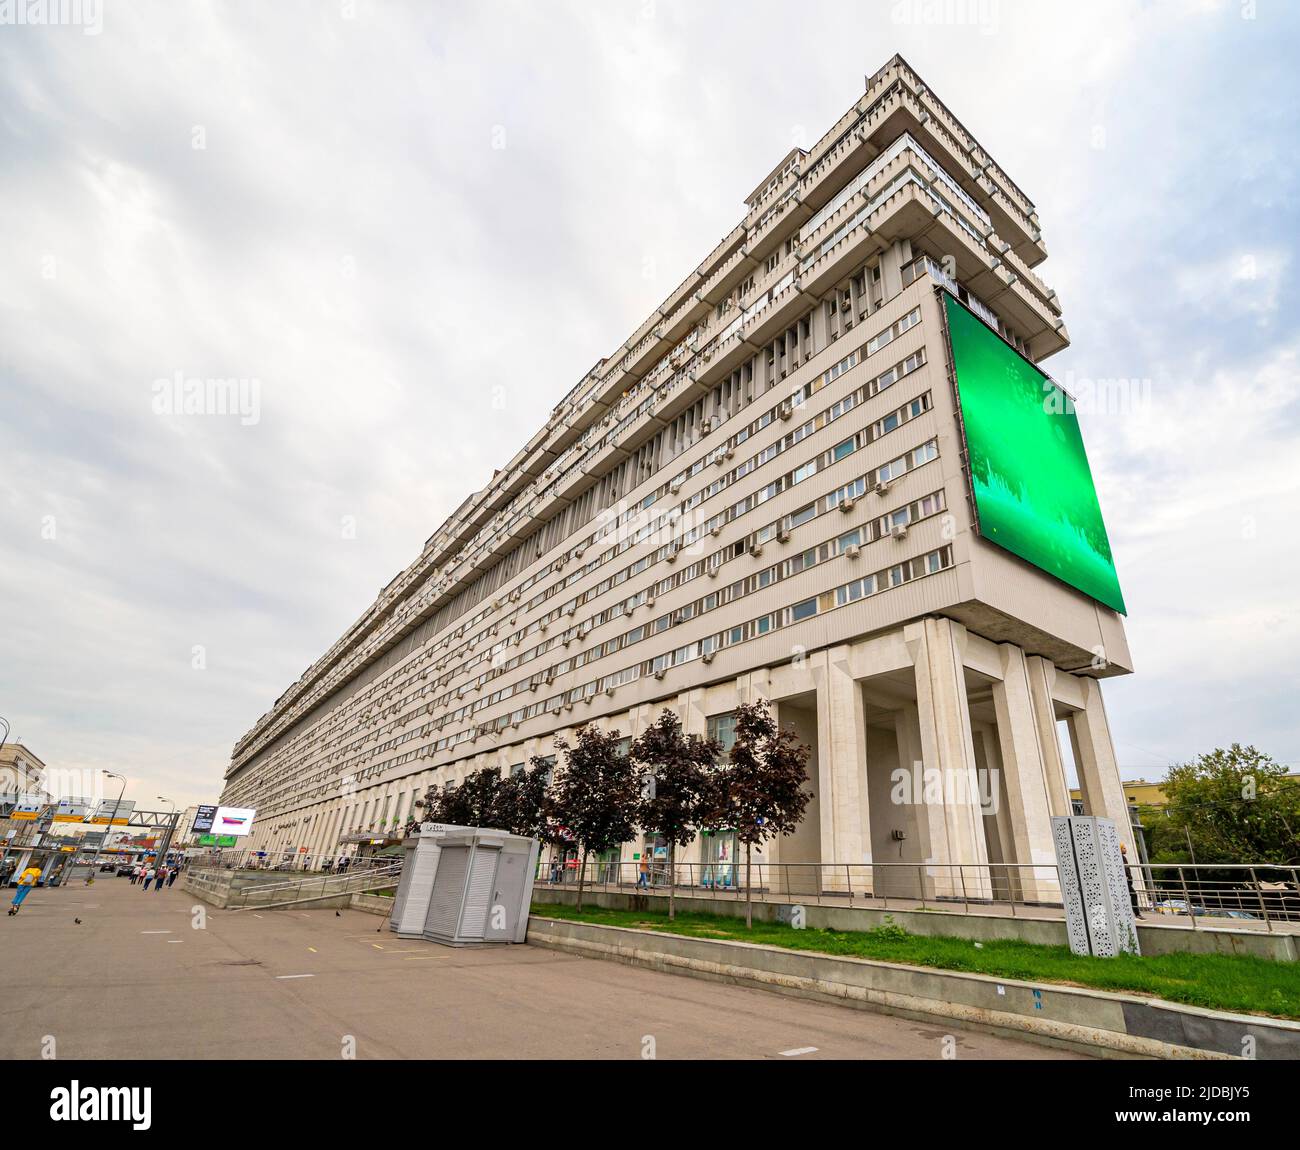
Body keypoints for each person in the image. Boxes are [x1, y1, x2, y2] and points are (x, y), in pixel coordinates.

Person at [1120, 842, 1143, 919]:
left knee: (1131, 895)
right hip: (1124, 881)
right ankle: (1137, 914)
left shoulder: (1123, 858)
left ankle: (1135, 913)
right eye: (1123, 848)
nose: (1125, 849)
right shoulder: (1120, 858)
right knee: (1133, 894)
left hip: (1127, 881)